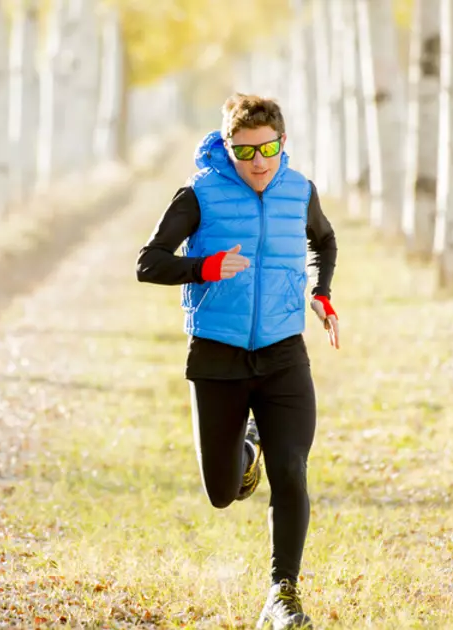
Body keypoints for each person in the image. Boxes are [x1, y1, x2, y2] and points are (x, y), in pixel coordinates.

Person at [136, 93, 340, 630]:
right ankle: (245, 448)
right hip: (217, 356)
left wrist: (321, 292)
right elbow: (149, 262)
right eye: (245, 151)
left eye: (269, 148)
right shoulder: (198, 195)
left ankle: (283, 594)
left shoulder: (300, 191)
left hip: (283, 355)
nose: (259, 161)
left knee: (292, 469)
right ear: (228, 148)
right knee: (222, 493)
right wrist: (205, 268)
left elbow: (324, 240)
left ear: (282, 143)